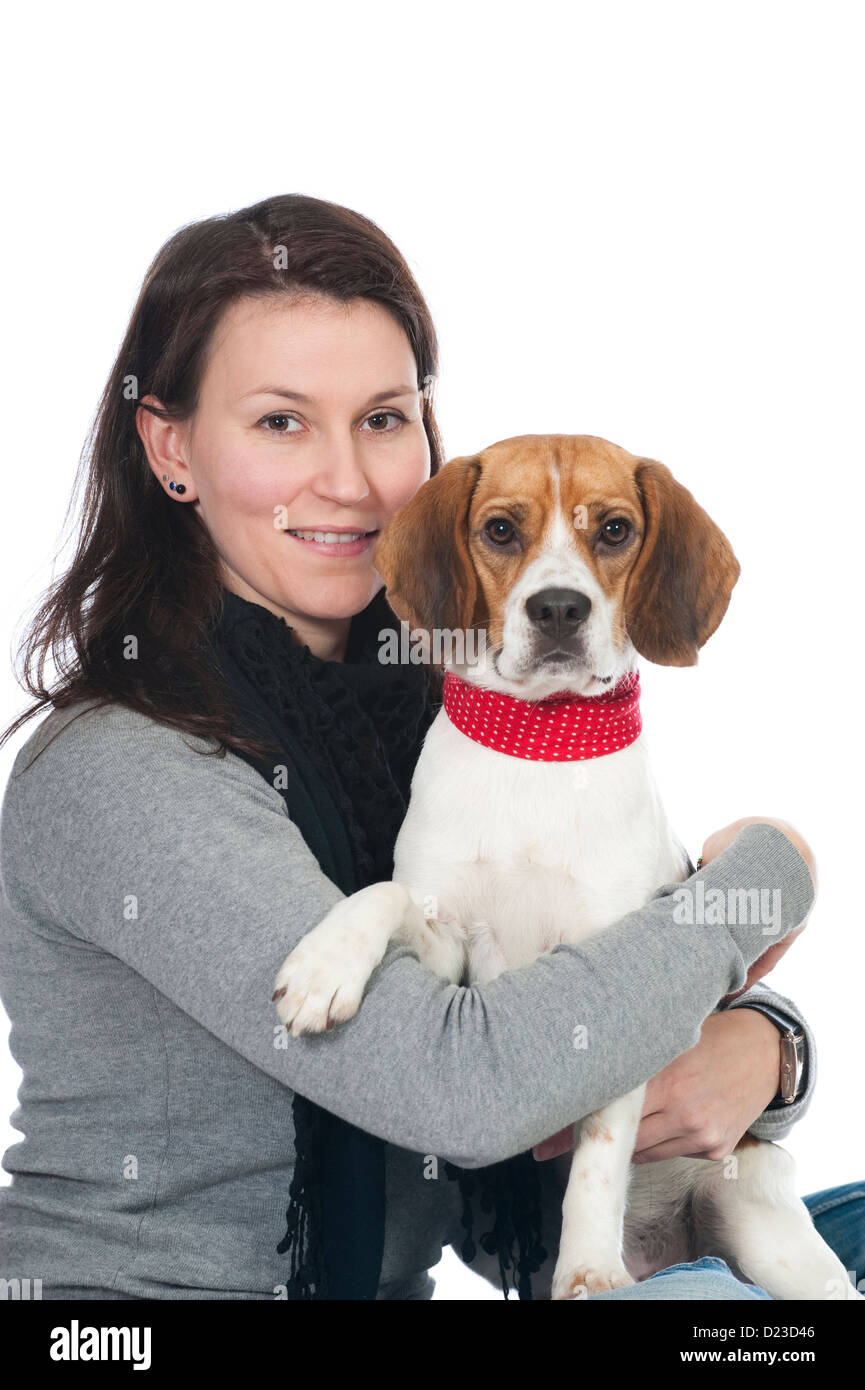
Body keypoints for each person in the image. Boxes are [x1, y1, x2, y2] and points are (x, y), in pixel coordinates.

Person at [0, 194, 858, 1301]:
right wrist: (767, 878)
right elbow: (463, 1085)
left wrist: (767, 1050)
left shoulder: (449, 710)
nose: (349, 481)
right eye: (280, 422)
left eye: (383, 418)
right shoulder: (124, 766)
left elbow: (608, 976)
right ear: (169, 445)